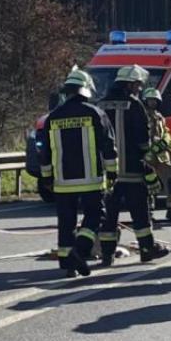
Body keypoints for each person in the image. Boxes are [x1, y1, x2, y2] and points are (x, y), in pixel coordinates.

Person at [39, 67, 118, 277]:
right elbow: (109, 146)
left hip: (62, 181)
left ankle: (67, 264)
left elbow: (44, 152)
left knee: (66, 222)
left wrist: (47, 178)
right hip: (91, 180)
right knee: (95, 216)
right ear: (85, 90)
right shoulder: (95, 113)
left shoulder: (52, 118)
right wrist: (112, 173)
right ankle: (80, 250)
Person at [98, 65, 170, 264]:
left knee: (109, 215)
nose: (139, 89)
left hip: (107, 172)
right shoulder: (135, 104)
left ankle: (106, 254)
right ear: (130, 84)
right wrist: (148, 166)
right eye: (138, 86)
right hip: (132, 170)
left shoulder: (100, 104)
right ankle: (147, 249)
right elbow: (143, 141)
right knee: (140, 213)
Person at [143, 88, 171, 224]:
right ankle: (147, 213)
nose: (152, 103)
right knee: (149, 185)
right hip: (148, 156)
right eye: (150, 100)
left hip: (162, 156)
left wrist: (165, 140)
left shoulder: (159, 116)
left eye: (155, 100)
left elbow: (165, 132)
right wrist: (149, 151)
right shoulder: (141, 115)